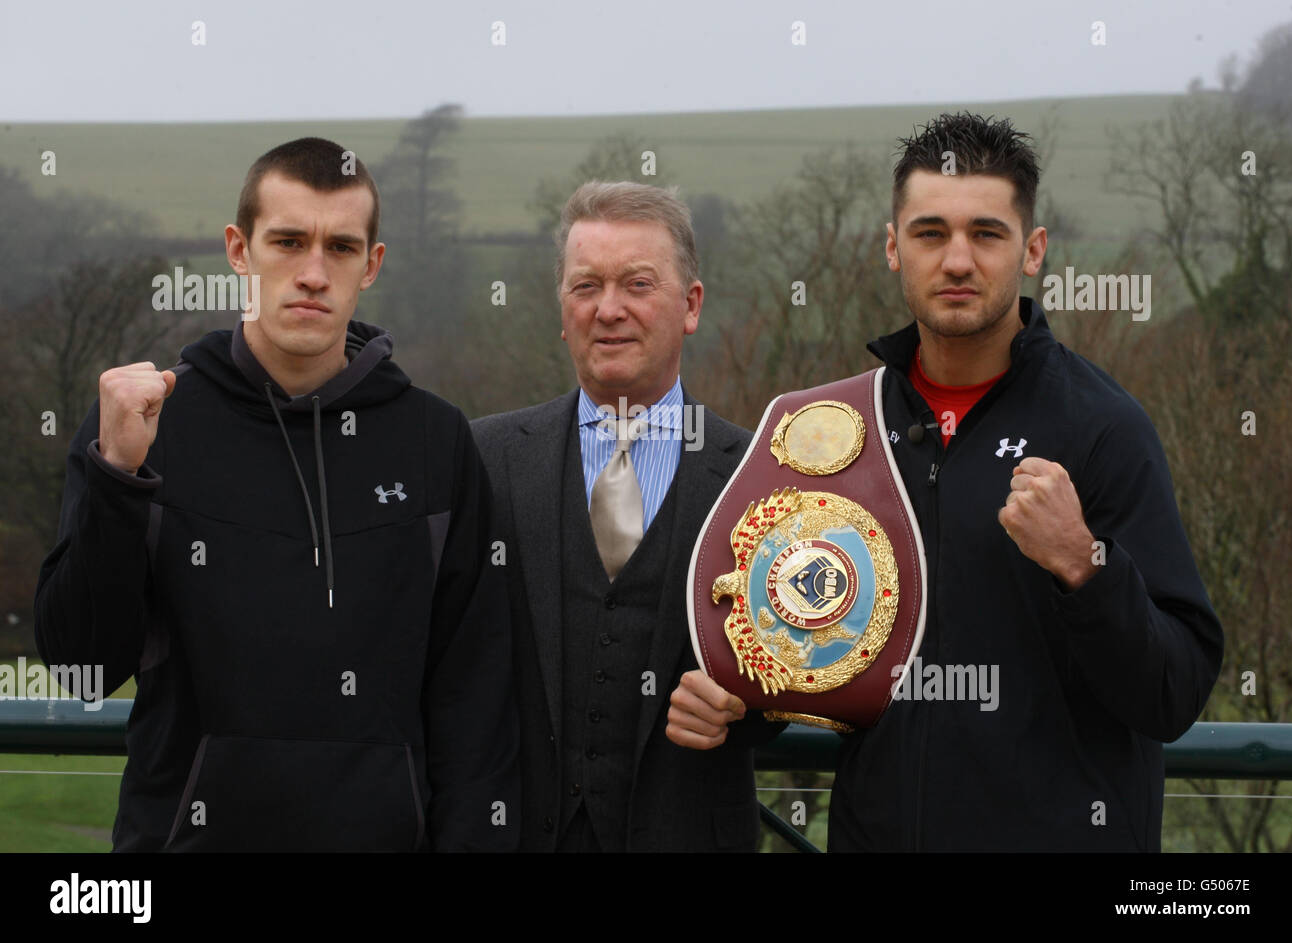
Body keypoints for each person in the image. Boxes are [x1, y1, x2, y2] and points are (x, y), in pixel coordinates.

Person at [683, 113, 1224, 851]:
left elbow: (1175, 691)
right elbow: (804, 648)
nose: (958, 260)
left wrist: (1084, 564)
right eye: (931, 233)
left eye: (987, 234)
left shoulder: (1103, 427)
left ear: (1032, 251)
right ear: (892, 246)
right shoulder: (835, 427)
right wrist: (734, 706)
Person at [34, 137, 517, 852]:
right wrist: (116, 478)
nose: (314, 273)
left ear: (371, 265)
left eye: (341, 247)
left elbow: (474, 709)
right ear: (239, 250)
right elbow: (82, 667)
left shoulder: (435, 441)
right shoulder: (144, 427)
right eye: (288, 241)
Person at [471, 181, 780, 852]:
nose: (608, 310)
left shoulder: (760, 475)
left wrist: (746, 706)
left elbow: (799, 666)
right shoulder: (483, 459)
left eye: (637, 284)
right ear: (562, 309)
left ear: (691, 305)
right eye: (586, 287)